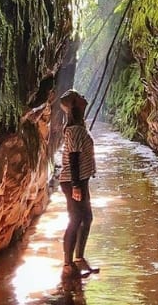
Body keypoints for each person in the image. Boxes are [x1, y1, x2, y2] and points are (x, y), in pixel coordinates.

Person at [58, 89, 97, 278]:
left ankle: (79, 258)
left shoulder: (79, 126)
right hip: (72, 181)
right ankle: (67, 263)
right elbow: (73, 158)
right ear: (74, 105)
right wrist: (75, 186)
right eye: (79, 97)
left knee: (86, 218)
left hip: (81, 179)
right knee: (75, 219)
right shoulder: (73, 130)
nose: (84, 97)